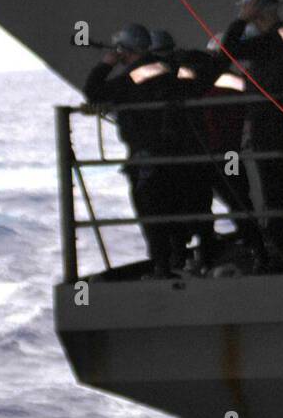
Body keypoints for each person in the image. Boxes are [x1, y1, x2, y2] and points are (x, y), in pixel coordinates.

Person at [83, 23, 218, 277]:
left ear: (125, 49)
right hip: (176, 153)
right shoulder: (166, 67)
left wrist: (107, 63)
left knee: (152, 215)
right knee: (176, 209)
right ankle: (185, 260)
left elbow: (93, 91)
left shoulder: (135, 76)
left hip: (149, 156)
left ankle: (163, 268)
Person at [220, 0, 283, 271]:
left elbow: (236, 48)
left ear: (258, 8)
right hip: (267, 117)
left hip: (277, 117)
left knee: (279, 183)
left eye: (246, 7)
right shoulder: (267, 39)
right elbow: (230, 51)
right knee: (281, 181)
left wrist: (242, 22)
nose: (242, 12)